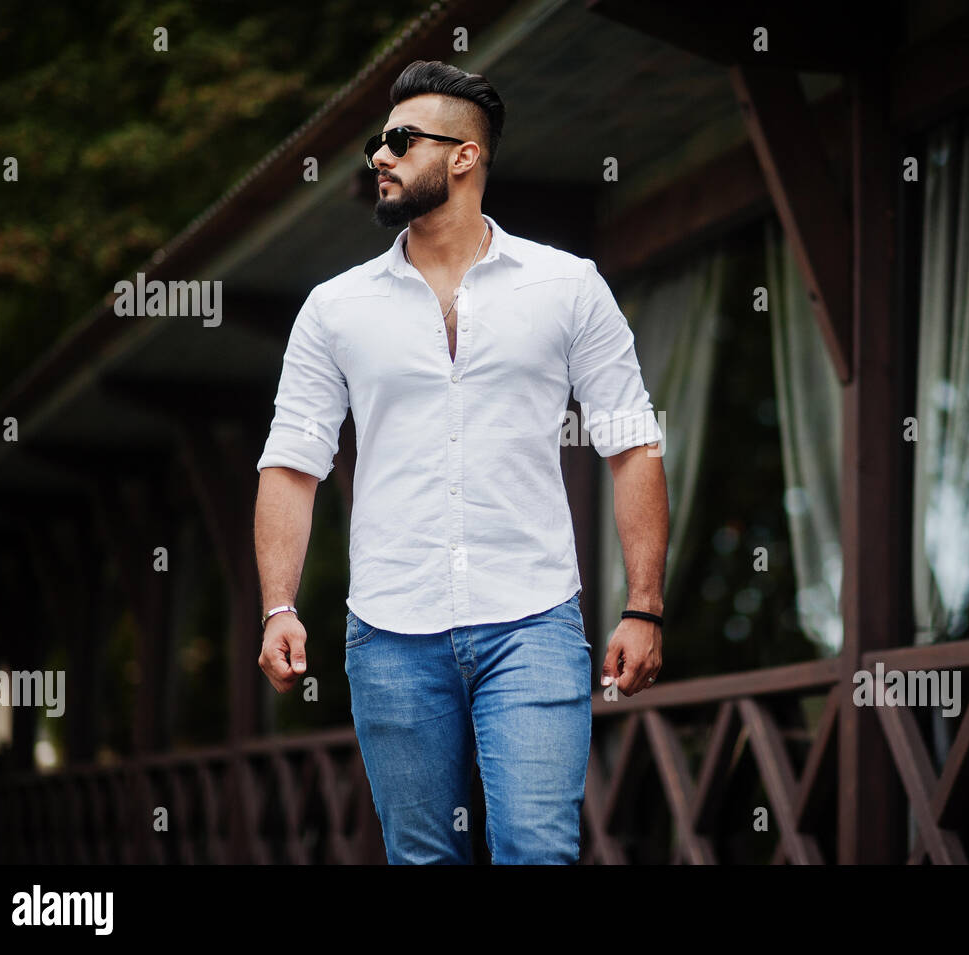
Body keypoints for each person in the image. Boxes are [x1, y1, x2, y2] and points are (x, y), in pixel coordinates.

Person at [252, 60, 668, 864]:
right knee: (421, 858)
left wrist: (644, 605)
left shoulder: (568, 286)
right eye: (380, 141)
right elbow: (290, 464)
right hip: (390, 628)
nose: (381, 156)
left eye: (401, 141)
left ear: (465, 156)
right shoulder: (334, 309)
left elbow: (632, 443)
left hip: (534, 619)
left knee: (539, 851)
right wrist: (279, 605)